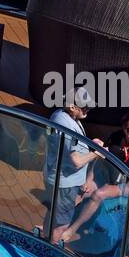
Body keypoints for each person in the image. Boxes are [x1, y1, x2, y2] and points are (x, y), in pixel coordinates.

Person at [56, 112, 129, 243]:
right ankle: (56, 225)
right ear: (123, 127)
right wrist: (89, 179)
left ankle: (71, 230)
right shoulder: (116, 137)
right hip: (113, 176)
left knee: (99, 194)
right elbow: (99, 157)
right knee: (80, 192)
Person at [46, 97, 105, 242]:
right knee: (61, 224)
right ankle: (49, 248)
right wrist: (96, 153)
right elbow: (76, 161)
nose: (88, 110)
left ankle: (45, 240)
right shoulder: (66, 125)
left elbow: (70, 147)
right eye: (85, 107)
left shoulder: (61, 114)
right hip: (65, 183)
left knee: (53, 214)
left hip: (60, 179)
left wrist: (89, 144)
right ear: (72, 106)